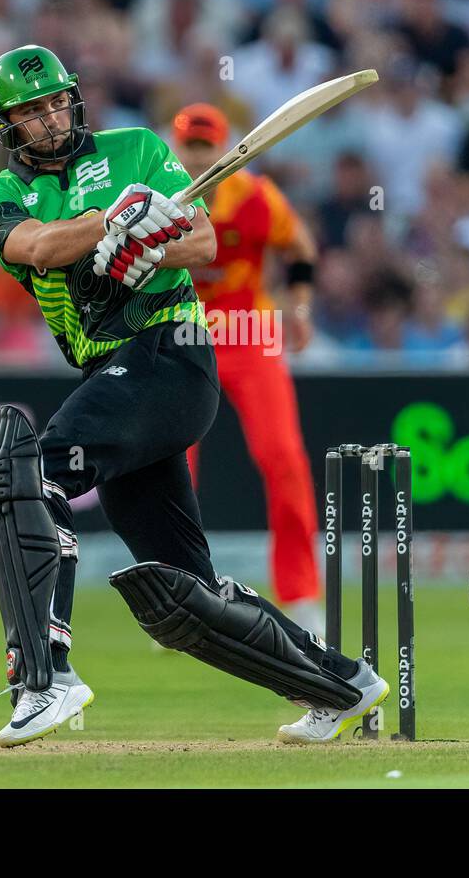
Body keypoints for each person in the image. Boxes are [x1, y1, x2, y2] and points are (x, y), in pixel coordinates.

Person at [0, 46, 389, 747]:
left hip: (171, 357)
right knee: (182, 599)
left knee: (29, 475)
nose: (49, 119)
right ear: (4, 125)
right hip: (113, 377)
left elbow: (201, 240)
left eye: (55, 103)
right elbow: (37, 248)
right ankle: (343, 685)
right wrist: (108, 223)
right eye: (30, 111)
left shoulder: (135, 147)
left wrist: (146, 247)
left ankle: (45, 681)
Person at [170, 103, 324, 633]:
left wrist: (299, 308)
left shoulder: (257, 198)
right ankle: (178, 596)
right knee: (171, 470)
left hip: (249, 335)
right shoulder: (158, 199)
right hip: (182, 336)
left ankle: (302, 593)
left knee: (282, 457)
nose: (196, 158)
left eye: (205, 147)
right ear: (175, 148)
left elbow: (300, 248)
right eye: (188, 147)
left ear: (225, 149)